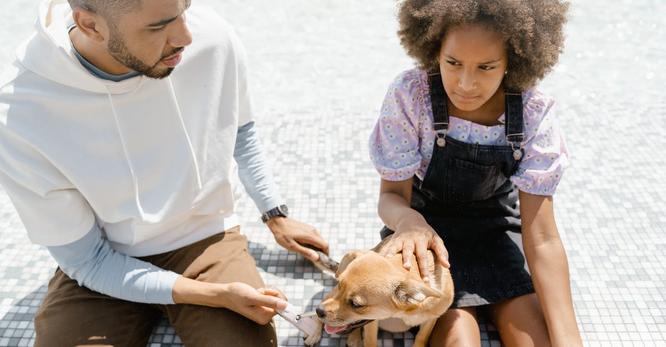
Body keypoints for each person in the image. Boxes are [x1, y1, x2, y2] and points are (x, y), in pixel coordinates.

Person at [0, 0, 329, 346]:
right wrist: (212, 295)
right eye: (158, 27)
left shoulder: (210, 36)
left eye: (185, 9)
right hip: (108, 257)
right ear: (90, 25)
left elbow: (239, 128)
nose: (186, 36)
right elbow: (88, 261)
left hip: (205, 238)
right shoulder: (21, 114)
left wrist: (274, 213)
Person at [369, 0, 583, 346]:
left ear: (513, 60)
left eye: (486, 67)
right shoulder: (412, 95)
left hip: (497, 232)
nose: (466, 83)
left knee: (535, 336)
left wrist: (570, 340)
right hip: (427, 238)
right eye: (453, 63)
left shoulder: (532, 112)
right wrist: (410, 223)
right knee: (459, 337)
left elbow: (542, 238)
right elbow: (390, 198)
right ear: (433, 47)